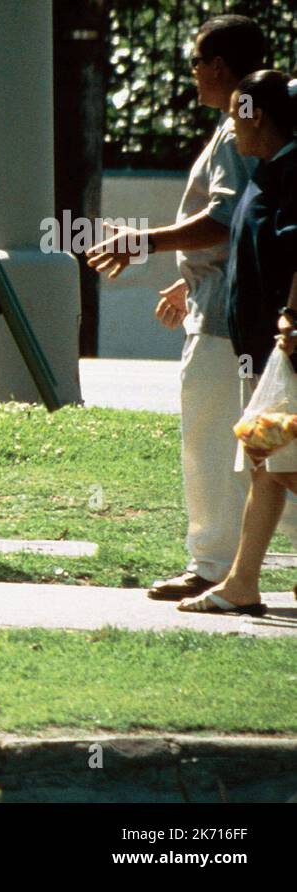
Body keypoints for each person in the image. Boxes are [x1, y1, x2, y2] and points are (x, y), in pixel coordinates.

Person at [84, 15, 282, 601]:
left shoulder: (238, 125)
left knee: (211, 441)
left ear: (220, 66)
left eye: (197, 62)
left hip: (228, 318)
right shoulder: (254, 117)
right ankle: (227, 565)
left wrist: (142, 241)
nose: (192, 75)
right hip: (226, 301)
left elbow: (225, 218)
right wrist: (190, 281)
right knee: (255, 441)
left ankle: (213, 564)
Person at [179, 70, 297, 615]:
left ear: (255, 115)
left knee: (279, 463)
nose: (231, 125)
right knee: (266, 462)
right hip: (265, 349)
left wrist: (292, 319)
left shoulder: (292, 173)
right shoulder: (268, 172)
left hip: (287, 349)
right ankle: (242, 582)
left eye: (235, 114)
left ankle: (241, 582)